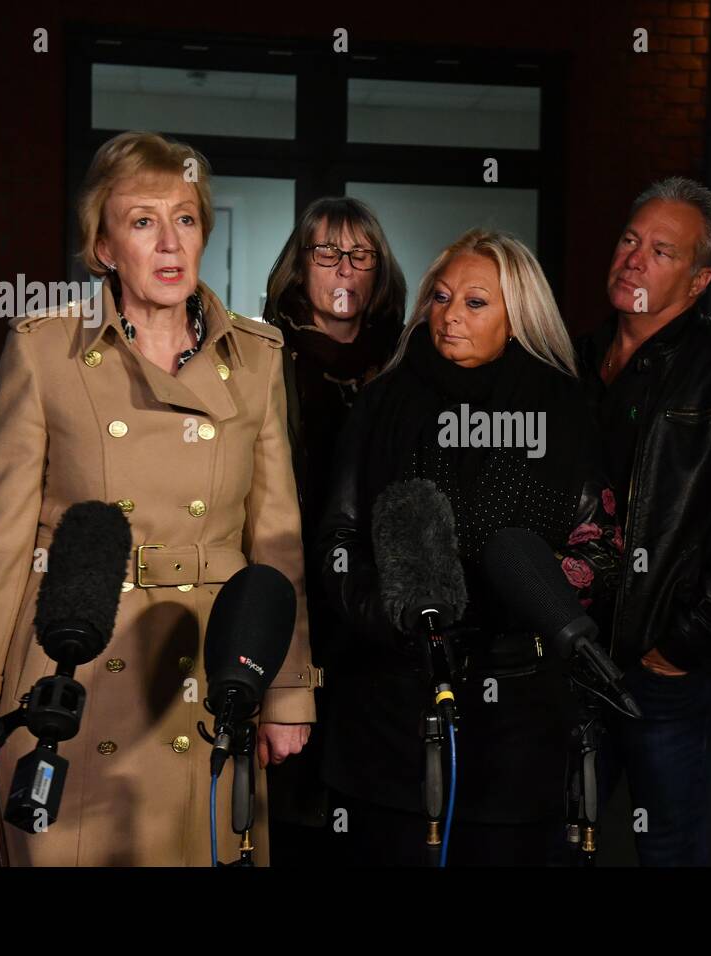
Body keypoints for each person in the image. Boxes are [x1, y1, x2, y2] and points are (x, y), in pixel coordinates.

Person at [0, 130, 318, 866]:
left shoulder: (258, 356)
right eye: (142, 221)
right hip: (74, 680)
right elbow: (2, 549)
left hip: (215, 674)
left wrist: (290, 690)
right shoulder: (44, 350)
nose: (170, 242)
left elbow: (277, 542)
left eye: (185, 218)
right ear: (104, 247)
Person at [317, 229, 622, 865]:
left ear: (518, 317)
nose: (451, 315)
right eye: (442, 297)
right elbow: (338, 541)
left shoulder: (566, 411)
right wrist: (395, 613)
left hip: (520, 718)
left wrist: (513, 600)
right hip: (391, 708)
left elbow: (600, 552)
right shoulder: (381, 403)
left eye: (476, 303)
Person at [575, 176, 711, 866]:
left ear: (698, 281)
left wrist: (684, 642)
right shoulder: (574, 361)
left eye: (662, 251)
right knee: (558, 837)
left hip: (662, 668)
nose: (634, 259)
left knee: (667, 846)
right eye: (630, 240)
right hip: (572, 655)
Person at [260, 197, 405, 861]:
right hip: (295, 601)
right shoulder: (266, 359)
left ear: (379, 272)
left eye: (361, 255)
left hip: (379, 614)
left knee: (373, 800)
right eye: (327, 253)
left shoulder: (407, 364)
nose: (344, 268)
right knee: (292, 794)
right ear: (300, 268)